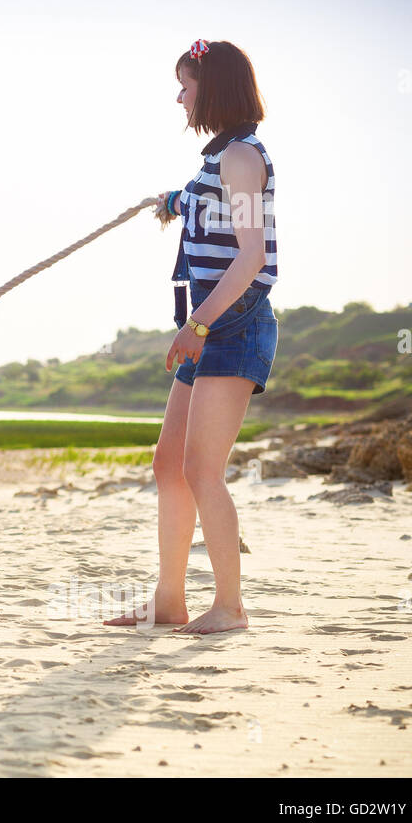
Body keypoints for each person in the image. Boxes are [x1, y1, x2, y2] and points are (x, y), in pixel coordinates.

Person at [105, 40, 279, 635]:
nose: (179, 96)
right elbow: (212, 210)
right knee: (168, 466)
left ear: (214, 89)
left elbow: (251, 255)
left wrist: (198, 324)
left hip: (232, 326)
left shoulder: (241, 157)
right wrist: (173, 202)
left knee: (203, 469)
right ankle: (169, 601)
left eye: (186, 85)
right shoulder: (218, 159)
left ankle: (231, 606)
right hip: (209, 329)